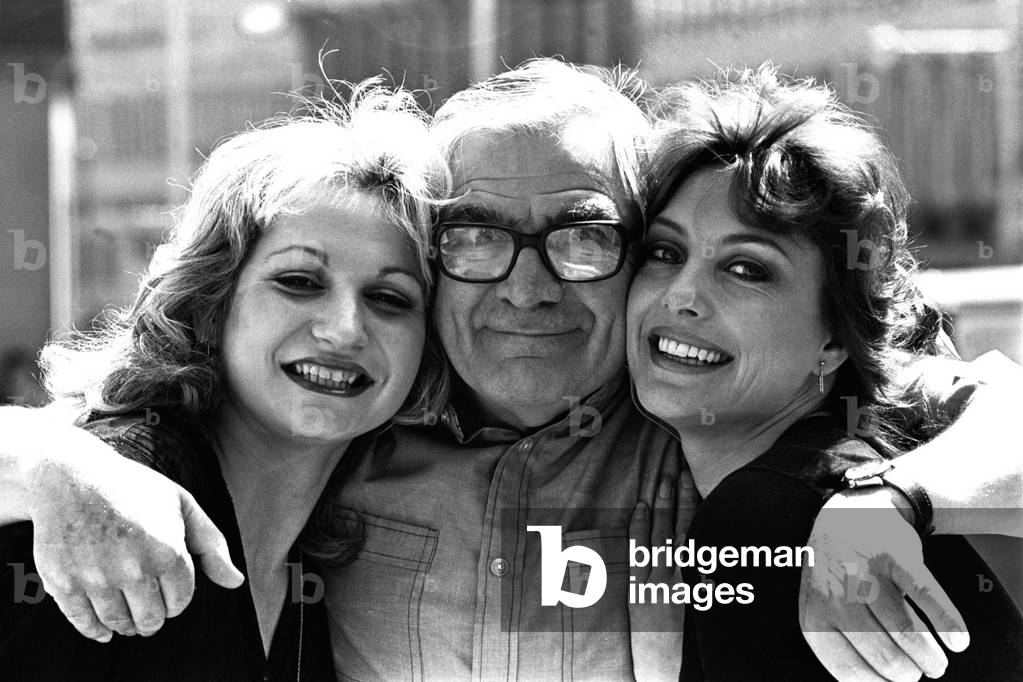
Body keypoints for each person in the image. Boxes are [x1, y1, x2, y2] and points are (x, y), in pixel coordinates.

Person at [1, 59, 1021, 681]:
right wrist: (49, 460)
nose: (526, 287)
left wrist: (886, 503)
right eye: (476, 236)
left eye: (581, 235)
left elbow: (996, 407)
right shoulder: (343, 430)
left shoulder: (713, 425)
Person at [0, 82, 449, 680]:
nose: (345, 329)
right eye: (299, 282)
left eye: (390, 298)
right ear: (210, 305)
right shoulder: (102, 504)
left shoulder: (333, 564)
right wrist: (45, 468)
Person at [626, 66, 1023, 680]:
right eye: (665, 252)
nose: (681, 295)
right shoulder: (844, 465)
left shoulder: (767, 513)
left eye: (747, 269)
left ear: (834, 338)